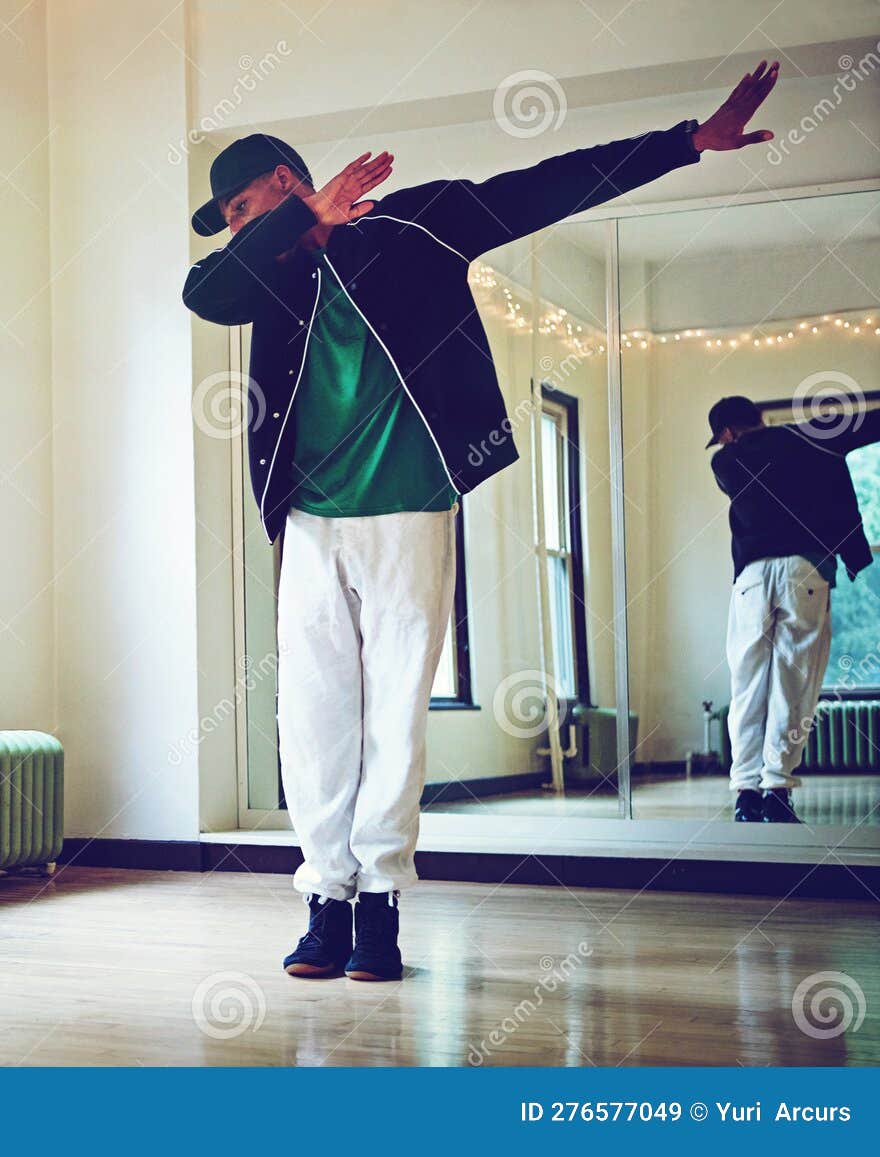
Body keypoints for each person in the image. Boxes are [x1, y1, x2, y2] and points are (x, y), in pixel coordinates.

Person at [181, 62, 781, 981]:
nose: (232, 225)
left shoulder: (413, 224)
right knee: (310, 715)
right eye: (225, 217)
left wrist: (684, 142)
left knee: (395, 715)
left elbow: (538, 190)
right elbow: (204, 294)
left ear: (286, 182)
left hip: (410, 507)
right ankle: (323, 900)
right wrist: (304, 227)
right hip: (307, 519)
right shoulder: (264, 278)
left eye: (238, 206)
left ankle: (376, 904)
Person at [707, 395, 876, 824]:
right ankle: (777, 791)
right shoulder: (808, 439)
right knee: (793, 685)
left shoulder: (725, 462)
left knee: (747, 686)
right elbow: (862, 426)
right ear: (758, 418)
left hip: (751, 578)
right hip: (805, 569)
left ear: (726, 433)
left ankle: (746, 793)